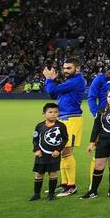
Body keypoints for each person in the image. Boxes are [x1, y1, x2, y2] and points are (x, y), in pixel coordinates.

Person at [42, 59, 86, 196]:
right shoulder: (69, 82)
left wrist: (49, 79)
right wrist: (51, 82)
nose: (65, 70)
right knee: (61, 153)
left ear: (77, 68)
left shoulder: (76, 81)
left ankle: (71, 186)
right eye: (64, 68)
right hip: (64, 119)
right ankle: (65, 184)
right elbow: (52, 93)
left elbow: (52, 89)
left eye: (69, 68)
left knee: (66, 152)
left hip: (71, 119)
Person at [30, 102, 68, 201]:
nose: (53, 114)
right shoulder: (39, 126)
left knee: (53, 173)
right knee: (39, 174)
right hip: (41, 155)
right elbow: (35, 139)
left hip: (54, 155)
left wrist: (58, 150)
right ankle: (36, 194)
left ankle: (51, 194)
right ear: (44, 113)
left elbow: (64, 139)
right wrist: (36, 149)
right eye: (50, 112)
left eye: (55, 112)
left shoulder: (61, 126)